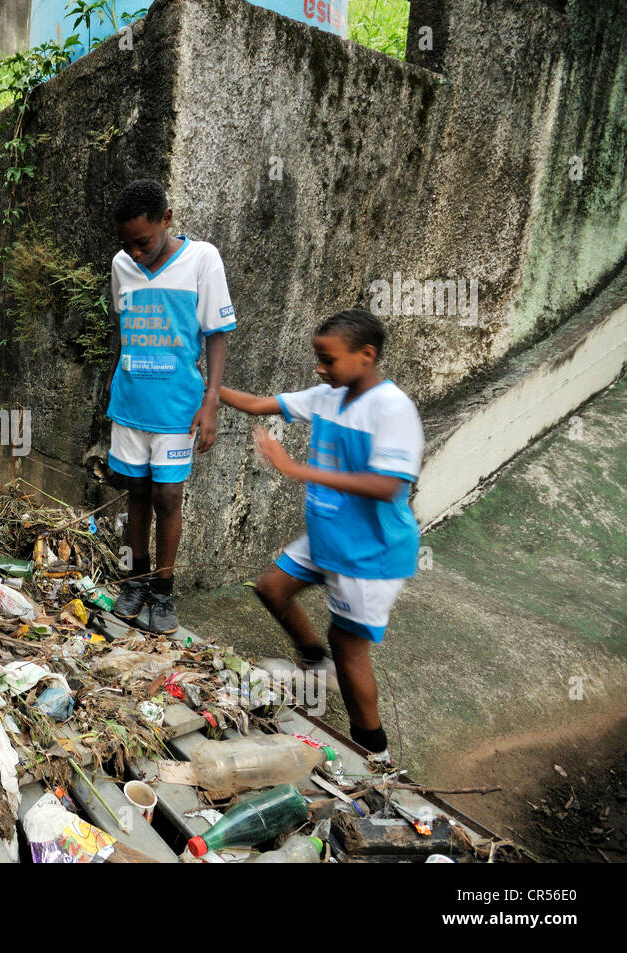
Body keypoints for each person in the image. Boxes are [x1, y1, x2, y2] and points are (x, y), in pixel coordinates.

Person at [219, 309, 424, 765]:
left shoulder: (392, 409)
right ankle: (314, 664)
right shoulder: (329, 395)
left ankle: (374, 754)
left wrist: (294, 469)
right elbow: (256, 404)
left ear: (366, 355)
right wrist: (206, 385)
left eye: (327, 359)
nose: (320, 368)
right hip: (326, 536)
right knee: (272, 588)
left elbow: (389, 484)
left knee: (349, 648)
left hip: (368, 551)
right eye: (318, 358)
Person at [105, 179, 235, 634]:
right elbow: (126, 325)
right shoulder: (122, 265)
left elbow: (216, 335)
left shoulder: (202, 259)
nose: (135, 253)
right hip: (131, 401)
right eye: (126, 244)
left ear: (166, 219)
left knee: (168, 496)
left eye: (142, 241)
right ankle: (135, 579)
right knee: (136, 492)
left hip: (178, 405)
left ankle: (163, 589)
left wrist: (212, 400)